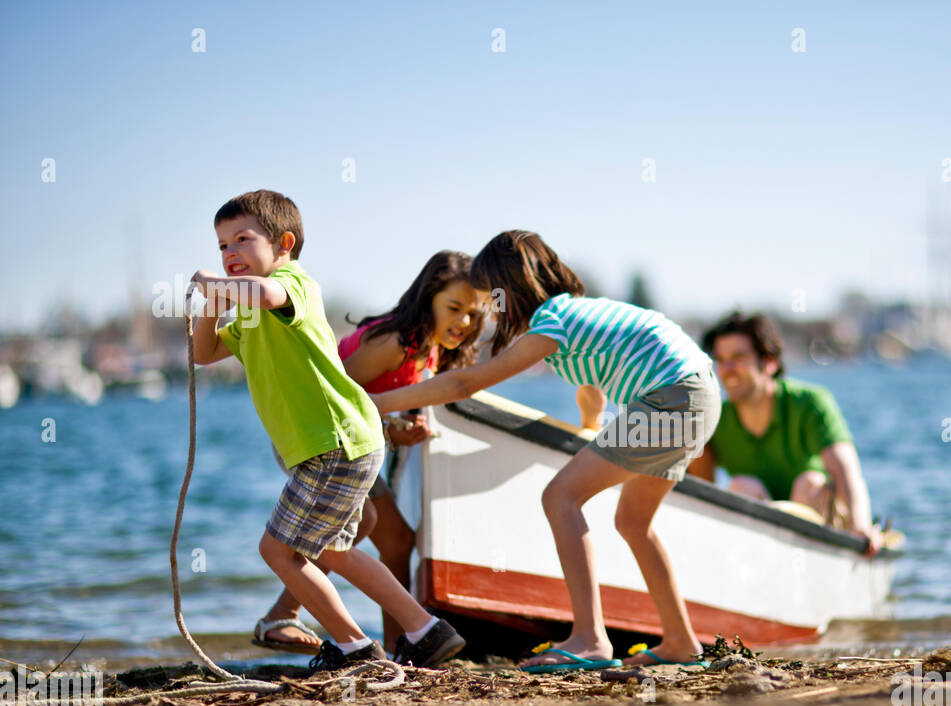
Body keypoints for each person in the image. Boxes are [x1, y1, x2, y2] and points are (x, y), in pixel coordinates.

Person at [372, 230, 721, 668]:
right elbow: (594, 391)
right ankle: (681, 642)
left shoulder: (550, 323)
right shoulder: (578, 314)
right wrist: (592, 426)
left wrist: (377, 402)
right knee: (634, 521)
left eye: (490, 300)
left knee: (560, 497)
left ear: (507, 290)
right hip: (700, 395)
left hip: (669, 398)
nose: (490, 312)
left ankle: (590, 639)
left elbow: (465, 383)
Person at [188, 189, 465, 672]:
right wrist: (212, 300)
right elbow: (204, 352)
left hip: (334, 445)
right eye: (221, 246)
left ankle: (355, 645)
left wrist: (223, 285)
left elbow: (268, 294)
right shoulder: (247, 310)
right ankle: (425, 630)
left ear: (284, 244)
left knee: (277, 549)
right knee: (332, 551)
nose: (230, 252)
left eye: (242, 239)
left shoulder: (293, 284)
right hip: (330, 449)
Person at [251, 250, 488, 656]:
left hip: (349, 446)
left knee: (382, 534)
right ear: (428, 297)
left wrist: (396, 428)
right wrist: (393, 428)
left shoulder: (426, 347)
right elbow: (336, 398)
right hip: (323, 444)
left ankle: (290, 616)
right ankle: (408, 639)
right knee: (381, 537)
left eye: (474, 313)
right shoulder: (394, 342)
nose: (464, 321)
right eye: (454, 307)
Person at [688, 311, 884, 555]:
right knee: (741, 486)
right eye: (721, 360)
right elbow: (699, 489)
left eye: (738, 358)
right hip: (758, 537)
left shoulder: (810, 403)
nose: (727, 369)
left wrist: (860, 526)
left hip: (818, 517)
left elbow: (846, 469)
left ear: (769, 363)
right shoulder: (712, 418)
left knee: (809, 484)